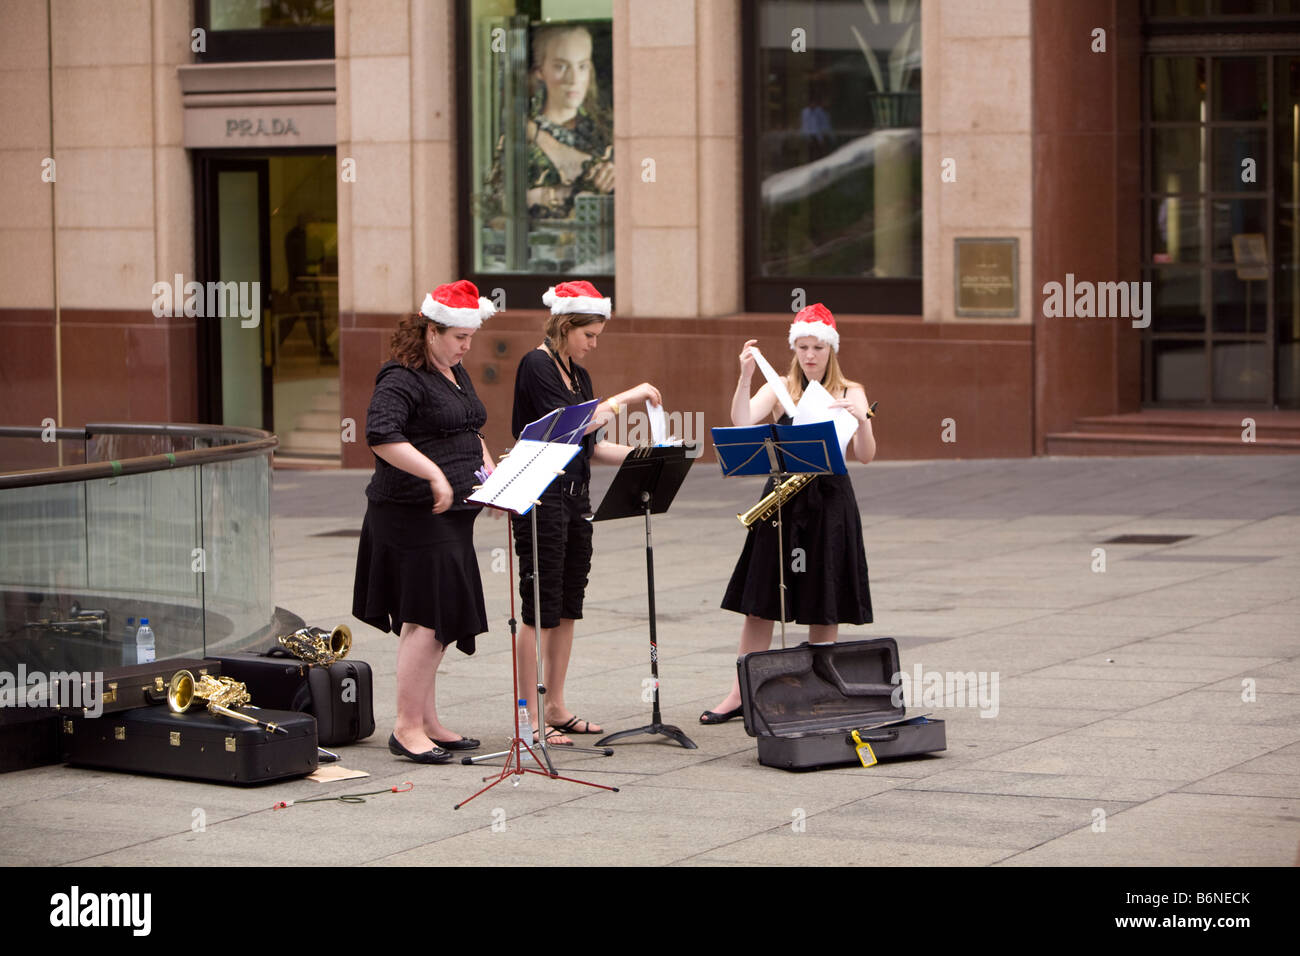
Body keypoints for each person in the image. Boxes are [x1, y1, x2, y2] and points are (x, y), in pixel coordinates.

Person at [701, 303, 877, 724]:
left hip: (830, 499)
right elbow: (742, 422)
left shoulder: (851, 390)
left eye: (818, 346)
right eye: (803, 347)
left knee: (824, 594)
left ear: (831, 348)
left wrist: (863, 421)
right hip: (782, 498)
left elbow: (866, 456)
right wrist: (745, 377)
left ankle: (821, 685)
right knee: (761, 598)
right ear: (794, 348)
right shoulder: (780, 387)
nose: (810, 354)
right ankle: (740, 692)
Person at [352, 280, 498, 763]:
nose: (466, 346)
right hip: (411, 514)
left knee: (439, 618)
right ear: (431, 331)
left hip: (454, 514)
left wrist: (490, 471)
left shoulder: (453, 370)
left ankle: (429, 720)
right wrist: (435, 474)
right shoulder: (401, 377)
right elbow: (380, 435)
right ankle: (406, 727)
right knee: (426, 620)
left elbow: (468, 426)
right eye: (458, 337)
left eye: (470, 337)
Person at [511, 280, 660, 745]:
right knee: (539, 609)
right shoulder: (536, 365)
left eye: (597, 336)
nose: (594, 344)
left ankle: (555, 704)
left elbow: (590, 447)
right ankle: (529, 716)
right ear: (564, 326)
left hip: (576, 497)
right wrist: (628, 396)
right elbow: (572, 428)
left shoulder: (578, 374)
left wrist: (647, 456)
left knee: (569, 604)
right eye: (588, 335)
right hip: (542, 496)